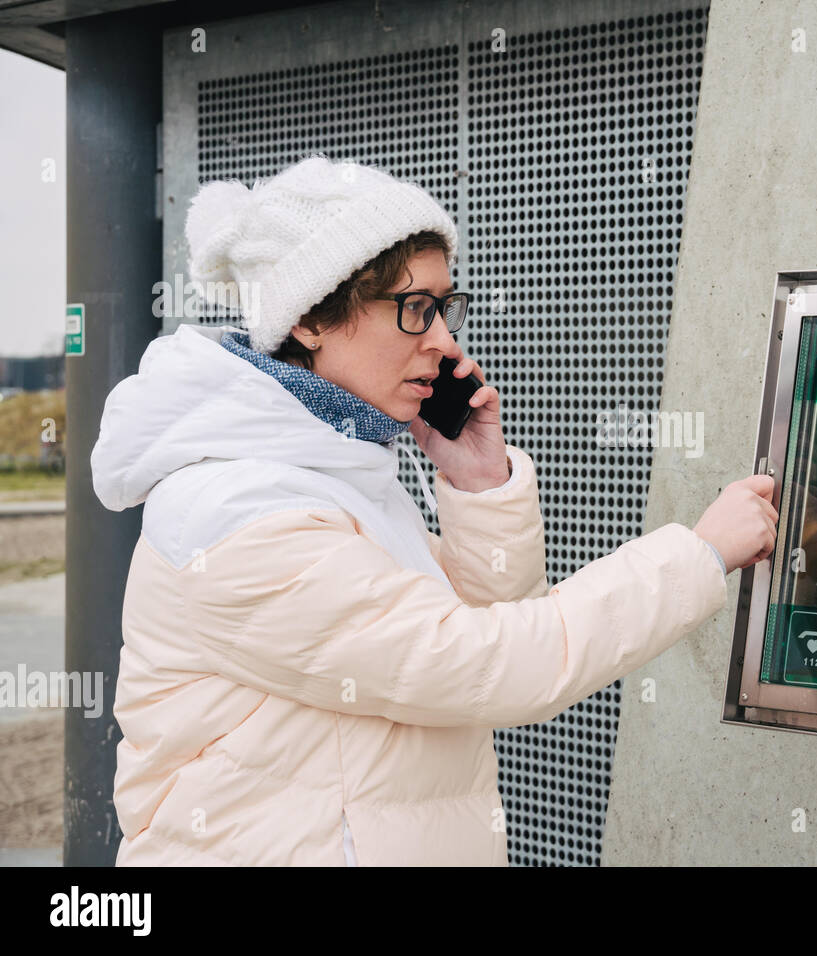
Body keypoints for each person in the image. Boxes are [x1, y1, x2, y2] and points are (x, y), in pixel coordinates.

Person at [90, 153, 776, 866]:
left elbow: (485, 619)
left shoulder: (337, 469)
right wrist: (700, 555)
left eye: (445, 308)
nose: (445, 342)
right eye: (415, 309)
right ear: (313, 318)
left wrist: (480, 485)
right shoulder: (239, 511)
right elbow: (489, 666)